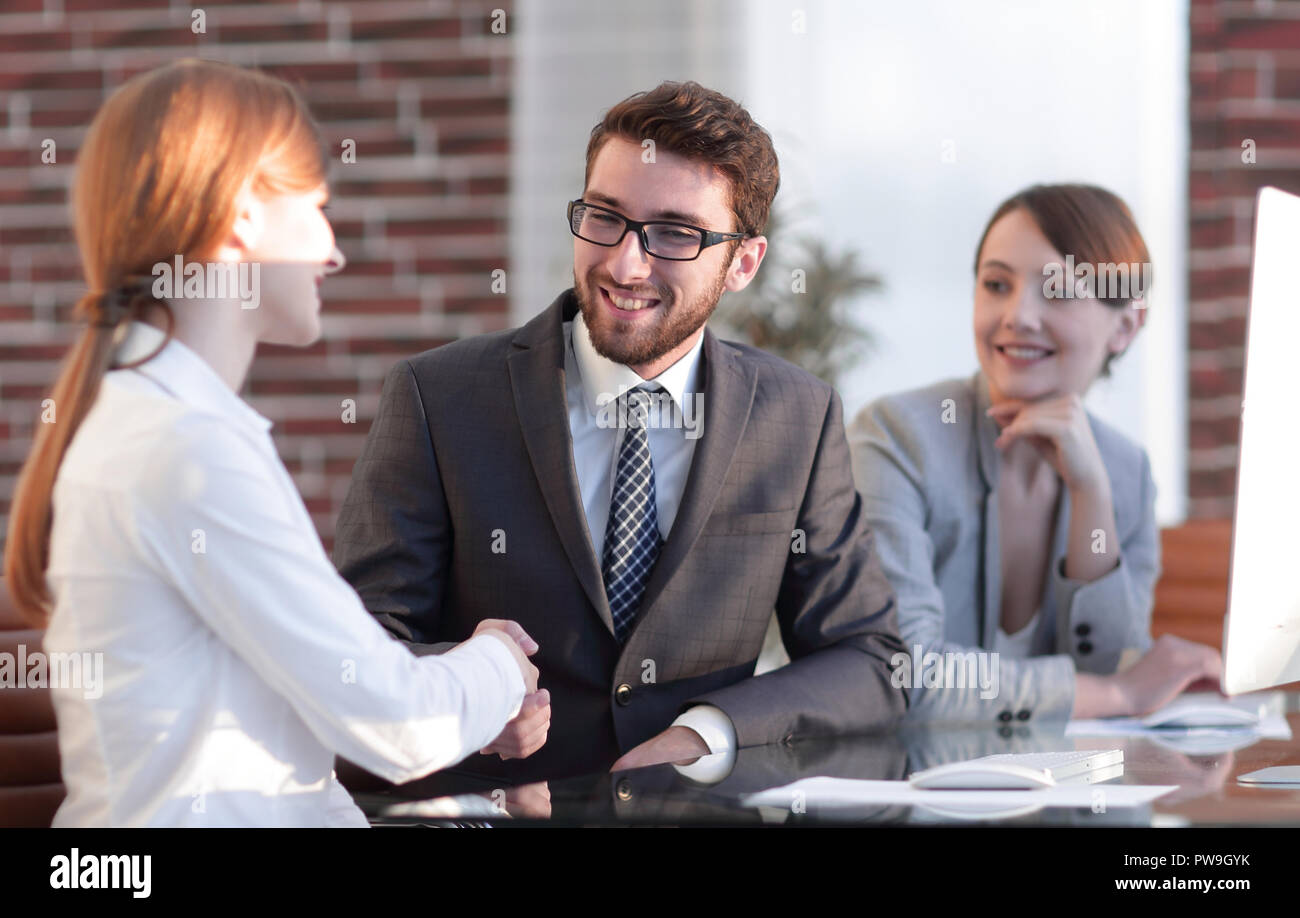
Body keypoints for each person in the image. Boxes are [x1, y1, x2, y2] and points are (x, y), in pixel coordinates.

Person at [2, 59, 538, 827]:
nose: (333, 251)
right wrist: (500, 665)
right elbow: (398, 725)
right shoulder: (190, 449)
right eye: (316, 206)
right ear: (243, 211)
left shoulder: (149, 422)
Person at [333, 80, 908, 784]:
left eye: (675, 233)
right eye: (605, 217)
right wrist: (465, 691)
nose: (624, 263)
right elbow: (354, 655)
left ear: (744, 264)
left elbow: (868, 661)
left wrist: (709, 735)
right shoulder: (439, 398)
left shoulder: (797, 417)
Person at [847, 183, 1221, 723]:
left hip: (1062, 799)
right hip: (903, 793)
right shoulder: (896, 437)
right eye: (996, 284)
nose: (1018, 315)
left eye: (1058, 290)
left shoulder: (1127, 473)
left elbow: (1110, 661)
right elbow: (905, 674)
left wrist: (1091, 493)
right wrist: (1118, 697)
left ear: (1126, 325)